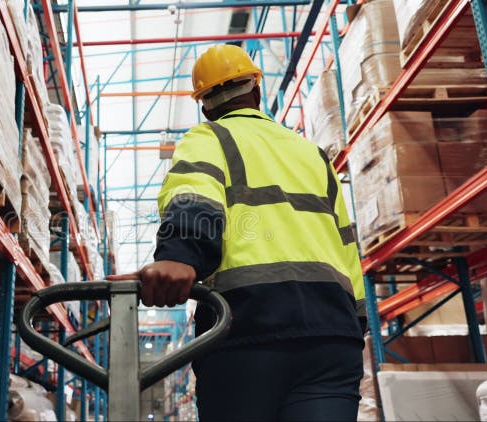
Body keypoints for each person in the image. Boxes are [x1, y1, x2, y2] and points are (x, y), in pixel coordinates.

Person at [110, 44, 366, 420]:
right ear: (257, 92)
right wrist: (354, 319)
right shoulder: (314, 155)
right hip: (332, 337)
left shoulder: (210, 137)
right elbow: (345, 242)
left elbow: (195, 193)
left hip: (246, 332)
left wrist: (179, 256)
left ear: (205, 106)